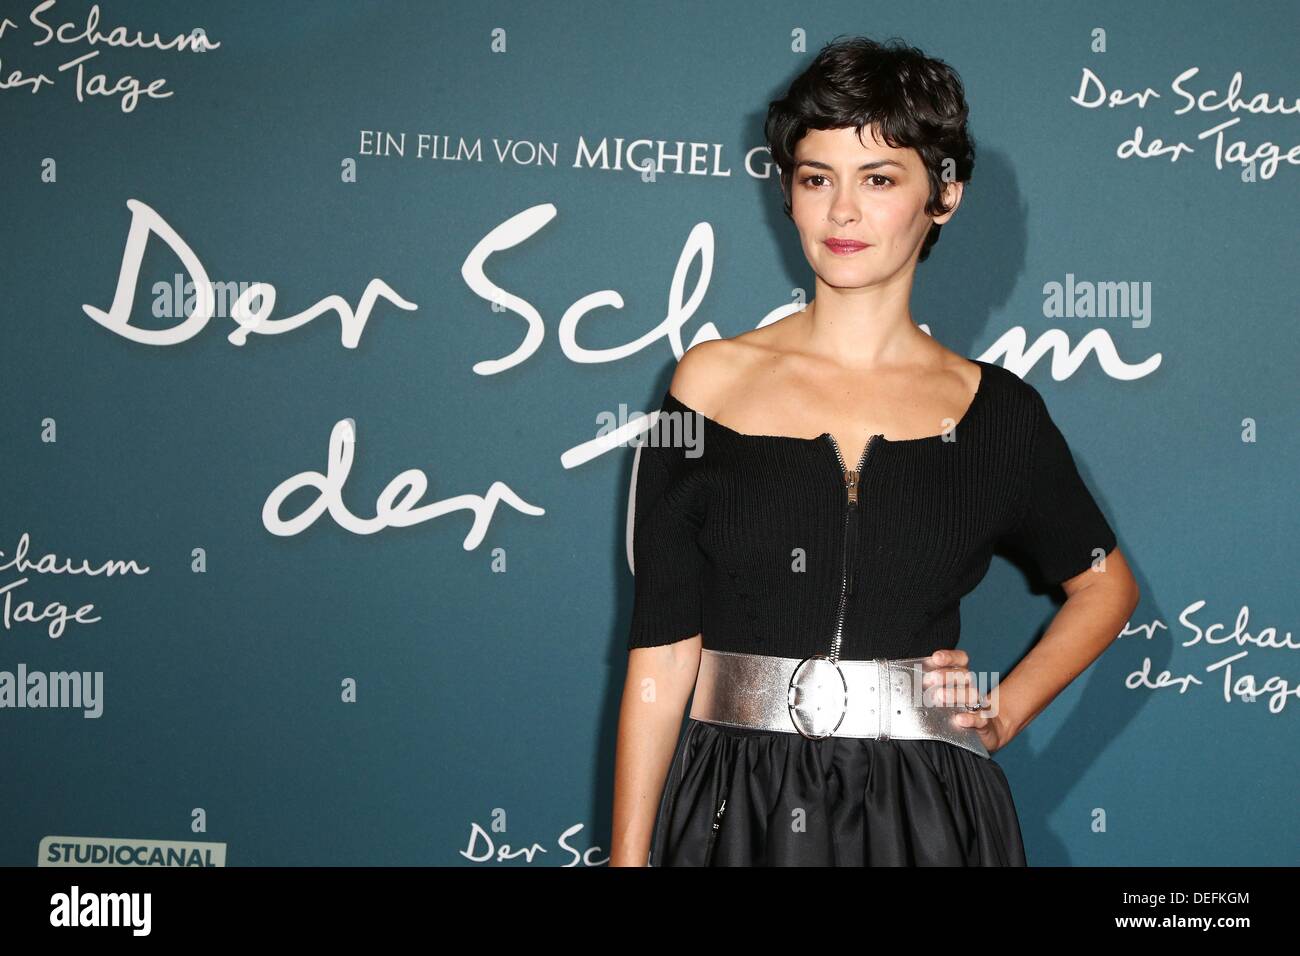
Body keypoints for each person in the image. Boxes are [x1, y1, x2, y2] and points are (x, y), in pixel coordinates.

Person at [609, 35, 1140, 867]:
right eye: (817, 178)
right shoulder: (706, 384)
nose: (842, 212)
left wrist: (1003, 710)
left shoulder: (996, 413)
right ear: (788, 193)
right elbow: (663, 647)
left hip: (924, 814)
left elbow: (1105, 586)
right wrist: (630, 859)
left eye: (880, 179)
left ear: (946, 196)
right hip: (733, 809)